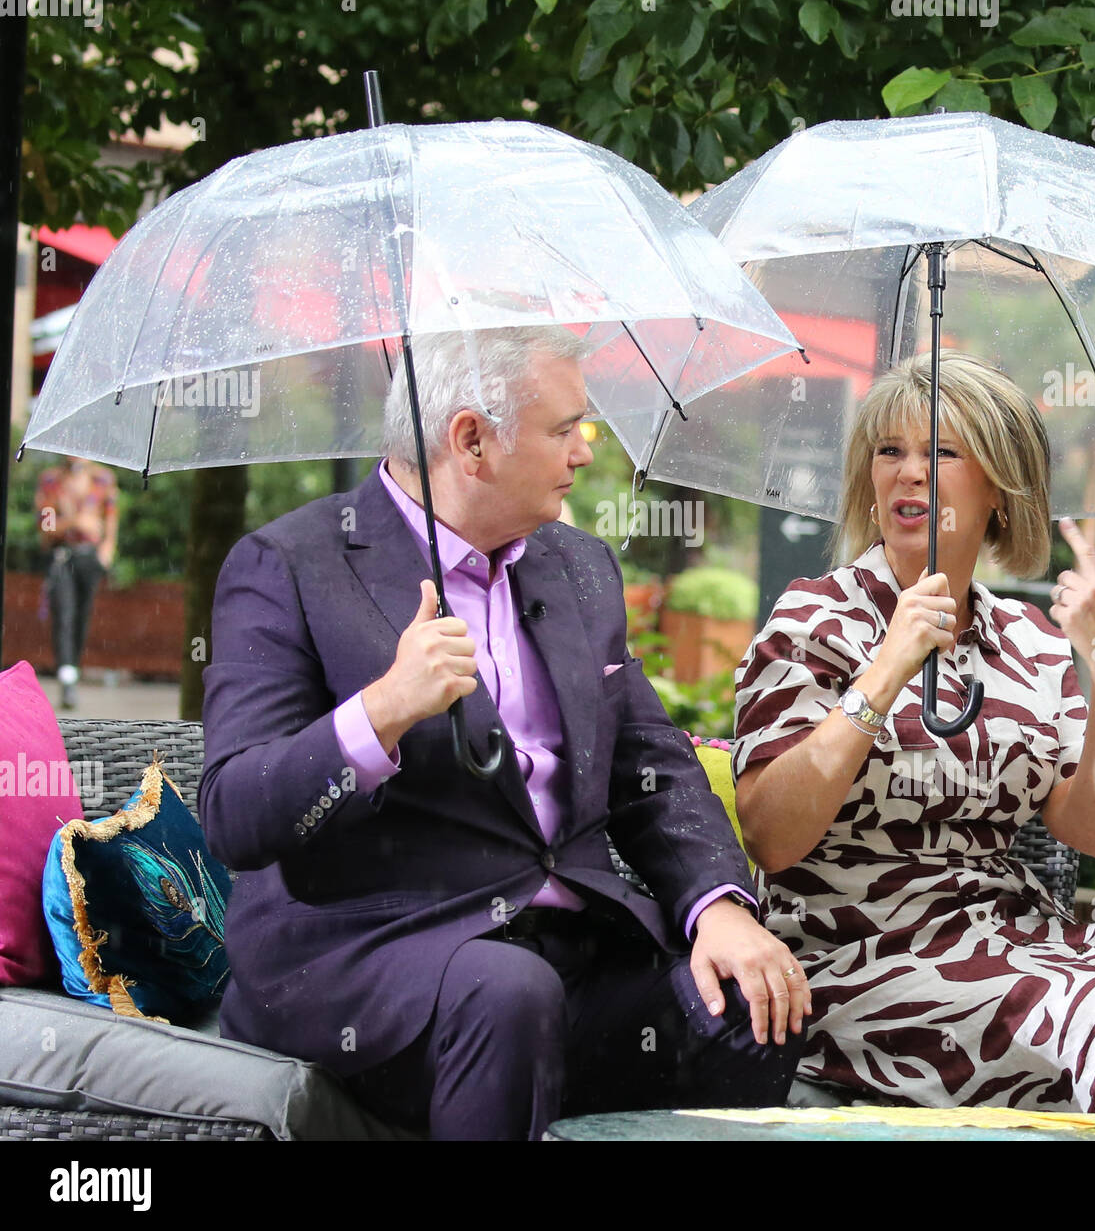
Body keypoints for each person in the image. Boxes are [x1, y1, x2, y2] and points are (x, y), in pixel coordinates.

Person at [199, 325, 808, 1141]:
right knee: (508, 991)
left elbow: (650, 765)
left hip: (566, 950)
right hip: (374, 961)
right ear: (471, 441)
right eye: (566, 429)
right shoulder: (289, 565)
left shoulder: (578, 567)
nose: (586, 452)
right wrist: (383, 710)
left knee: (752, 1000)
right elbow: (237, 813)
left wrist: (718, 908)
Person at [733, 352, 1095, 1122]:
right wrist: (887, 669)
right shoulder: (814, 619)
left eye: (940, 452)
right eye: (889, 452)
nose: (908, 474)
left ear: (998, 486)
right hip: (857, 958)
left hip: (1003, 933)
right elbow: (771, 836)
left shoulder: (1027, 638)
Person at [34, 456, 119, 709]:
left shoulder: (102, 479)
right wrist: (73, 522)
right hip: (61, 556)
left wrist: (107, 550)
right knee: (64, 616)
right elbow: (46, 526)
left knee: (83, 618)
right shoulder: (51, 481)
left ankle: (74, 667)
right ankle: (67, 679)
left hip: (89, 558)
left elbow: (111, 518)